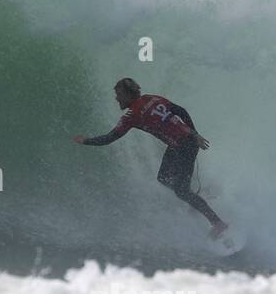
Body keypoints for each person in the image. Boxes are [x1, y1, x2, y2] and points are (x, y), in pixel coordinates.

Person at [73, 77, 228, 238]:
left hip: (183, 146)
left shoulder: (132, 115)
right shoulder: (152, 98)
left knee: (181, 190)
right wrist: (194, 134)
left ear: (128, 94)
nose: (116, 98)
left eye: (119, 94)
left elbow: (110, 138)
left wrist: (85, 141)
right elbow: (181, 111)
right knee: (163, 178)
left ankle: (218, 223)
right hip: (181, 144)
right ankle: (196, 198)